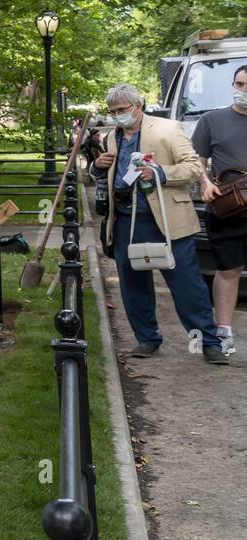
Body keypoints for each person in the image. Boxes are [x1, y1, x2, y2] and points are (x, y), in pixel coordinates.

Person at [88, 83, 227, 364]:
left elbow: (192, 167)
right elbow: (109, 174)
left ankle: (208, 342)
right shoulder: (113, 137)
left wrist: (158, 172)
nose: (117, 115)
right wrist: (97, 167)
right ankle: (147, 338)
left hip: (166, 218)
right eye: (112, 111)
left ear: (138, 106)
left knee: (186, 285)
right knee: (133, 283)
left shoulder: (168, 129)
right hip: (126, 219)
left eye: (122, 110)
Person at [191, 63, 247, 355]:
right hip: (227, 208)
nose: (244, 91)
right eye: (240, 84)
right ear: (233, 85)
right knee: (228, 269)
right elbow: (196, 161)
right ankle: (223, 331)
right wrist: (204, 182)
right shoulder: (211, 120)